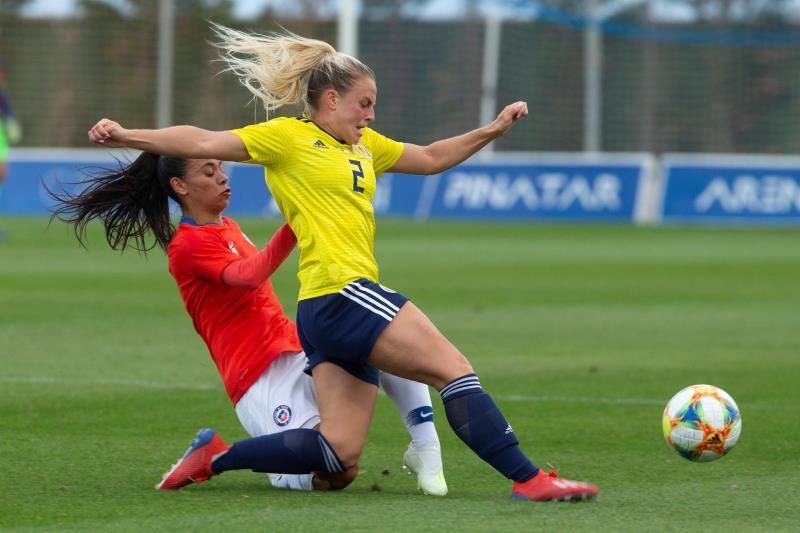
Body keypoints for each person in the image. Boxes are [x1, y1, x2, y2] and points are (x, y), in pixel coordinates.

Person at [87, 23, 598, 502]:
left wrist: (490, 130)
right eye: (364, 104)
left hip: (320, 311)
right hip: (343, 291)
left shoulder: (363, 146)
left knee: (337, 454)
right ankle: (528, 479)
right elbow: (201, 141)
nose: (370, 115)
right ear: (331, 100)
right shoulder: (286, 137)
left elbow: (430, 156)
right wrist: (130, 136)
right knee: (456, 372)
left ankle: (217, 458)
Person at [48, 153, 448, 496]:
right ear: (180, 186)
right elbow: (248, 276)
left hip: (295, 351)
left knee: (374, 330)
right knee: (338, 473)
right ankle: (217, 456)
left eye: (220, 167)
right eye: (208, 171)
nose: (222, 176)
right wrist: (300, 218)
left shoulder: (228, 227)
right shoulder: (187, 245)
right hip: (257, 377)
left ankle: (425, 445)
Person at [0, 65, 21, 235]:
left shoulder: (2, 95)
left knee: (1, 175)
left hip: (0, 140)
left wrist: (12, 125)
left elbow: (8, 115)